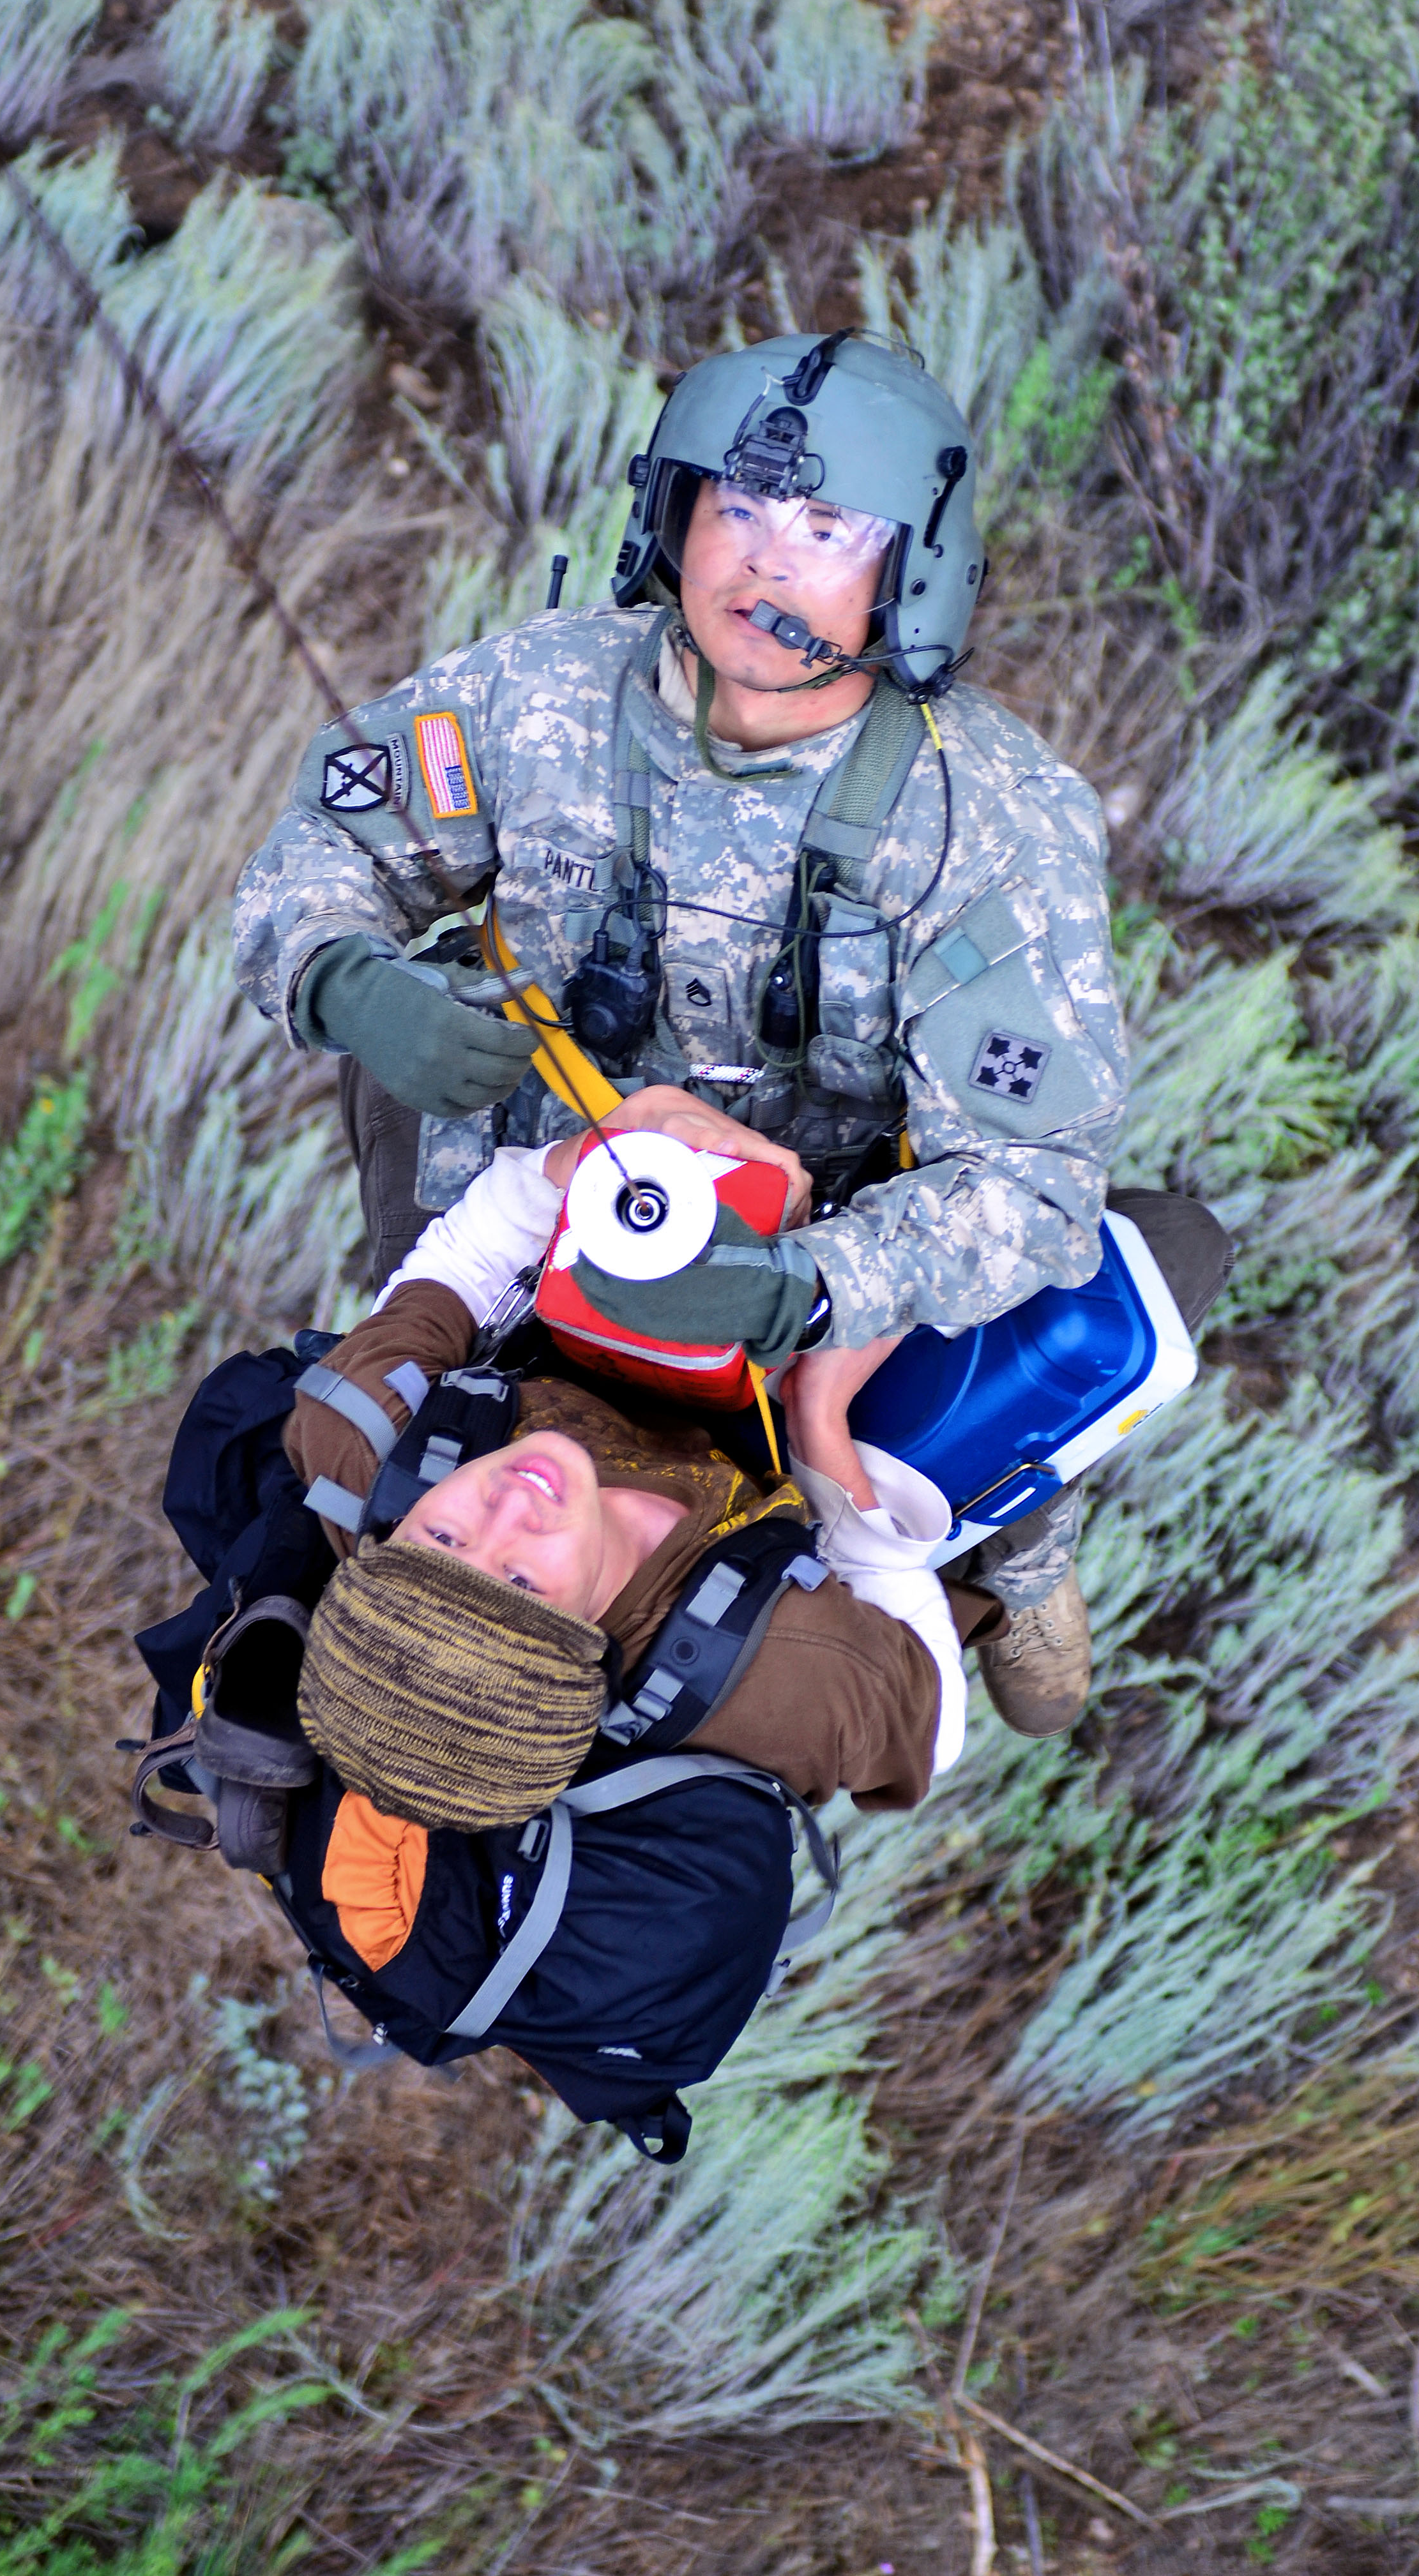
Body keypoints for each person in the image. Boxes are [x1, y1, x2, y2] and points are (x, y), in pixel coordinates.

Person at [235, 329, 1130, 1736]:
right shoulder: (542, 691)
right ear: (673, 515)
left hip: (814, 1251)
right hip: (543, 1187)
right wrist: (347, 982)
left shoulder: (990, 818)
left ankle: (1017, 1552)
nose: (764, 565)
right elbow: (329, 843)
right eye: (739, 508)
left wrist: (811, 1287)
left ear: (912, 570)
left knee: (966, 1420)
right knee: (412, 1457)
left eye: (827, 527)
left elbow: (1037, 1185)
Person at [282, 1111, 999, 1855]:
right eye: (522, 1581)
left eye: (442, 1535)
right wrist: (823, 1420)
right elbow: (936, 1726)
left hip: (551, 1343)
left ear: (388, 1534)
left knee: (420, 1113)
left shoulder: (363, 1434)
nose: (509, 1507)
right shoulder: (784, 1674)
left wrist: (585, 1160)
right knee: (1081, 1297)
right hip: (787, 1451)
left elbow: (467, 1251)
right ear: (587, 1643)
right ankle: (1032, 1565)